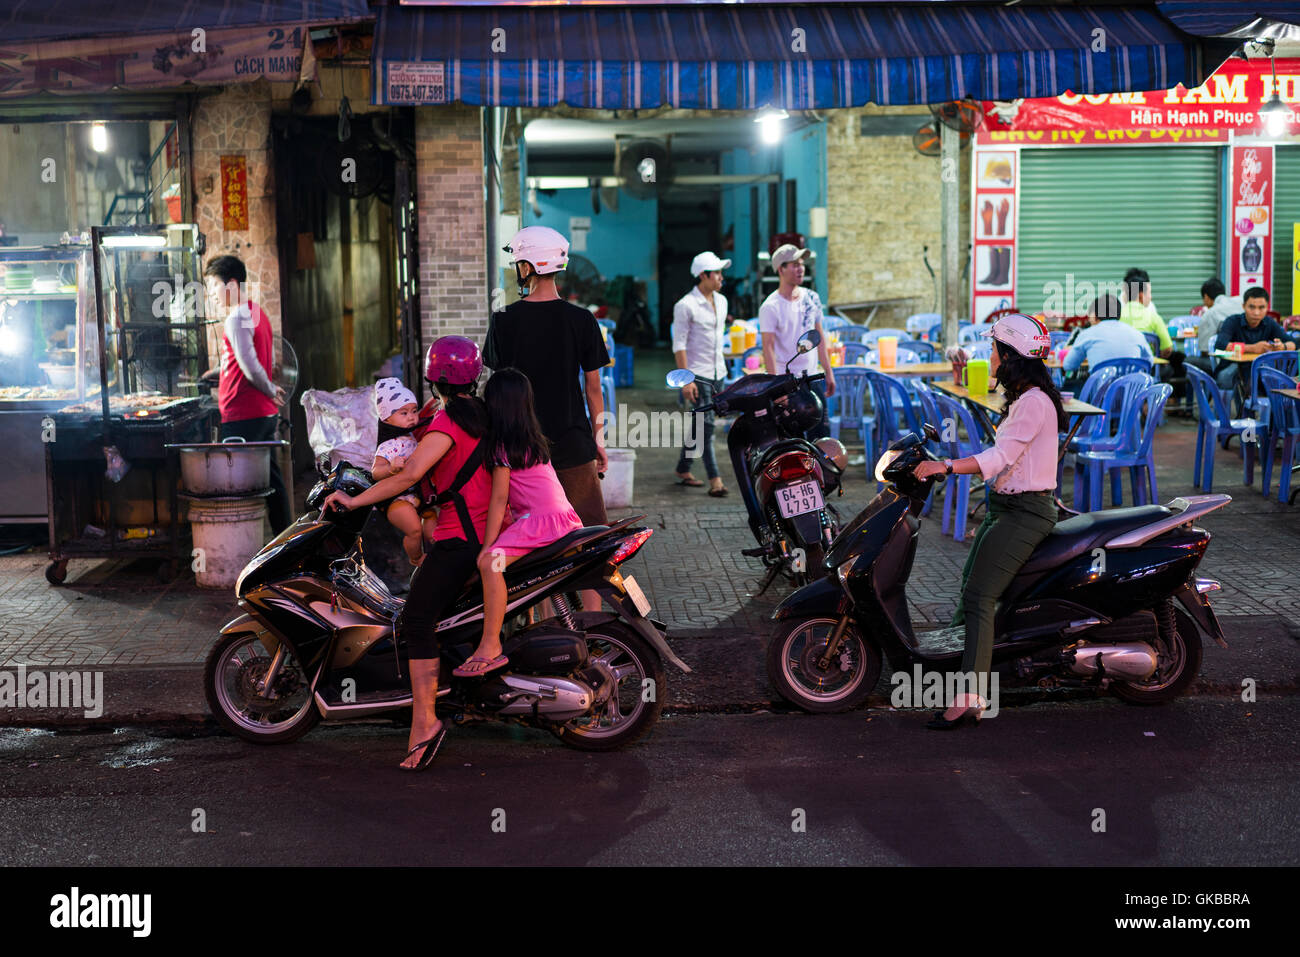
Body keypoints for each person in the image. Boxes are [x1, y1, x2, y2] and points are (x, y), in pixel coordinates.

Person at [322, 336, 492, 771]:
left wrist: (356, 500)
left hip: (460, 537)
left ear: (435, 380)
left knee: (416, 619)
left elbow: (407, 476)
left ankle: (425, 723)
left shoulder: (446, 422)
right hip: (481, 529)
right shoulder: (474, 414)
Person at [912, 314, 1067, 730]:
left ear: (1011, 356)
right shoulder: (1024, 397)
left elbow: (997, 458)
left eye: (994, 350)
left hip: (1026, 513)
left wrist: (943, 466)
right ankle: (952, 673)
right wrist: (961, 374)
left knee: (981, 597)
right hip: (1004, 508)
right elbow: (1000, 445)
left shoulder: (1033, 403)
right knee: (968, 588)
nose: (990, 355)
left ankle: (971, 698)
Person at [484, 225, 609, 612]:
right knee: (590, 539)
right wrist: (599, 441)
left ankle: (541, 627)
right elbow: (593, 390)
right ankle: (596, 625)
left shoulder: (504, 319)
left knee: (529, 540)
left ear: (527, 266)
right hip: (573, 444)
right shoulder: (582, 319)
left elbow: (496, 388)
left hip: (521, 450)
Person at [456, 368, 584, 678]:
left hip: (540, 523)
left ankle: (490, 645)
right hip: (561, 519)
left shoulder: (502, 450)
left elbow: (499, 502)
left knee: (490, 564)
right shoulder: (532, 441)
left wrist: (485, 548)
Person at [202, 255, 289, 533]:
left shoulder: (236, 317)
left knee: (240, 486)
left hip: (243, 414)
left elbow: (250, 365)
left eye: (214, 286)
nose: (212, 294)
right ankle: (283, 537)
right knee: (271, 479)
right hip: (258, 412)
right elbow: (243, 360)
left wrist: (269, 388)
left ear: (231, 283)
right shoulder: (256, 312)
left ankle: (243, 542)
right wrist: (219, 372)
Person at [759, 244, 836, 439]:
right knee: (794, 440)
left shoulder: (812, 298)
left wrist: (828, 372)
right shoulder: (770, 306)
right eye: (793, 264)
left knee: (821, 436)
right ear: (780, 269)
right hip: (787, 382)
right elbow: (767, 347)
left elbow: (819, 337)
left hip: (812, 377)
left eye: (801, 264)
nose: (800, 268)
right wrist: (776, 388)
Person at [671, 251, 731, 496]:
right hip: (698, 375)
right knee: (706, 427)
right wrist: (685, 379)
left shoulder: (723, 301)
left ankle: (683, 468)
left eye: (720, 273)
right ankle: (715, 479)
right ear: (703, 276)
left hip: (719, 372)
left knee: (701, 425)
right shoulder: (685, 306)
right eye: (716, 273)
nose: (720, 277)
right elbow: (679, 344)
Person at [370, 377, 425, 567]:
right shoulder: (388, 445)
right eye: (403, 413)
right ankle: (415, 558)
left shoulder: (410, 435)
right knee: (415, 530)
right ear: (387, 418)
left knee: (435, 530)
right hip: (395, 499)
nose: (411, 417)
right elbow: (376, 472)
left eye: (414, 411)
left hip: (417, 494)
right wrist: (391, 468)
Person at [1213, 286, 1297, 394]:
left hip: (1259, 368)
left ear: (1267, 307)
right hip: (1232, 366)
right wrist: (1253, 348)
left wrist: (1282, 346)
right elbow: (1220, 344)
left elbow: (1293, 343)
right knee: (1225, 378)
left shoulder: (1269, 323)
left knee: (1278, 379)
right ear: (1243, 306)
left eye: (1261, 307)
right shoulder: (1232, 321)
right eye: (1251, 307)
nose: (1256, 313)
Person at [1061, 292, 1152, 392]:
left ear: (1095, 314)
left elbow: (1068, 365)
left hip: (1099, 397)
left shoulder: (1087, 334)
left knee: (1071, 385)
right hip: (1130, 397)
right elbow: (1149, 362)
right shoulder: (1137, 334)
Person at [1118, 267, 1174, 359]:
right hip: (1147, 366)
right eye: (1149, 293)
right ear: (1141, 294)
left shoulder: (1115, 315)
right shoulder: (1153, 316)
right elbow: (1167, 348)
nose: (1151, 297)